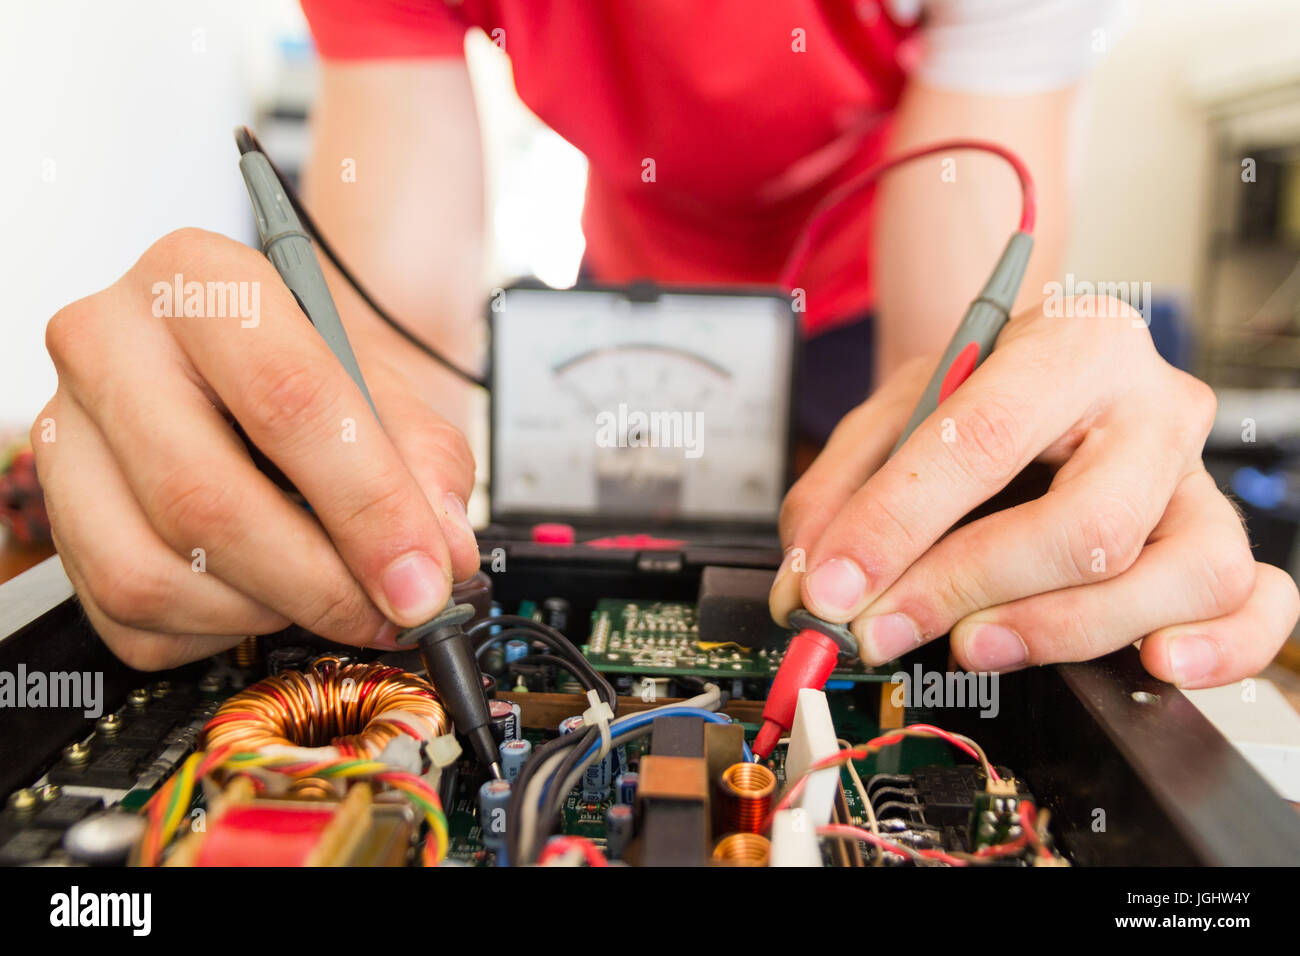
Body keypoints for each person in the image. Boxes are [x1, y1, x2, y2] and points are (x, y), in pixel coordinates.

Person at [32, 1, 1297, 688]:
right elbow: (390, 364)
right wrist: (289, 463)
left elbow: (953, 383)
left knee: (929, 511)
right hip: (631, 287)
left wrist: (1030, 475)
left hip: (875, 306)